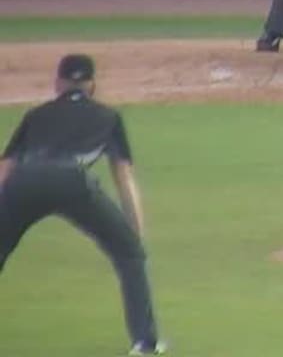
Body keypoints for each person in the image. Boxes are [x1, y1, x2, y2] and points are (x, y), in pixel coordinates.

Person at [0, 55, 165, 356]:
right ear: (92, 85)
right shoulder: (108, 116)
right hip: (72, 183)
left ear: (58, 83)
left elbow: (4, 171)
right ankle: (144, 342)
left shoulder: (35, 115)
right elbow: (123, 176)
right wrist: (135, 235)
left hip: (23, 182)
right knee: (129, 255)